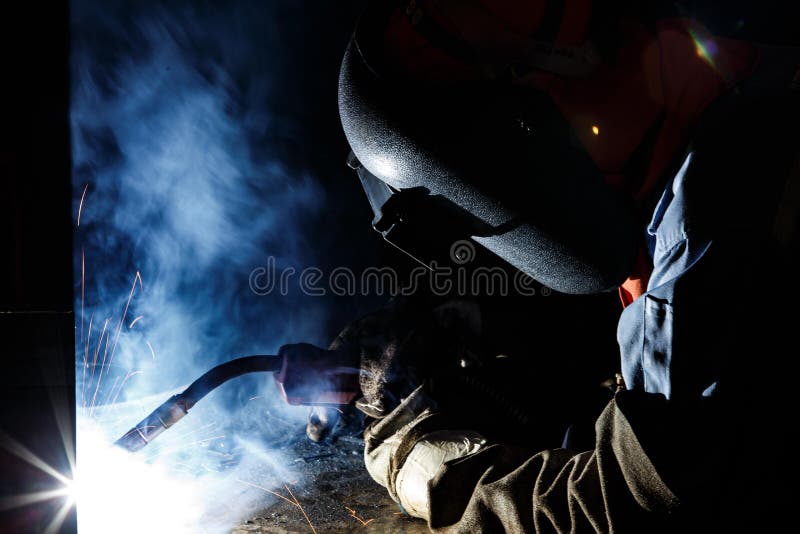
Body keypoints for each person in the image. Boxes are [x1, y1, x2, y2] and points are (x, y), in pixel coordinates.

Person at [325, 1, 799, 531]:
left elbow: (622, 510)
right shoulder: (712, 111)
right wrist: (432, 330)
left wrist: (410, 458)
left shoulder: (701, 244)